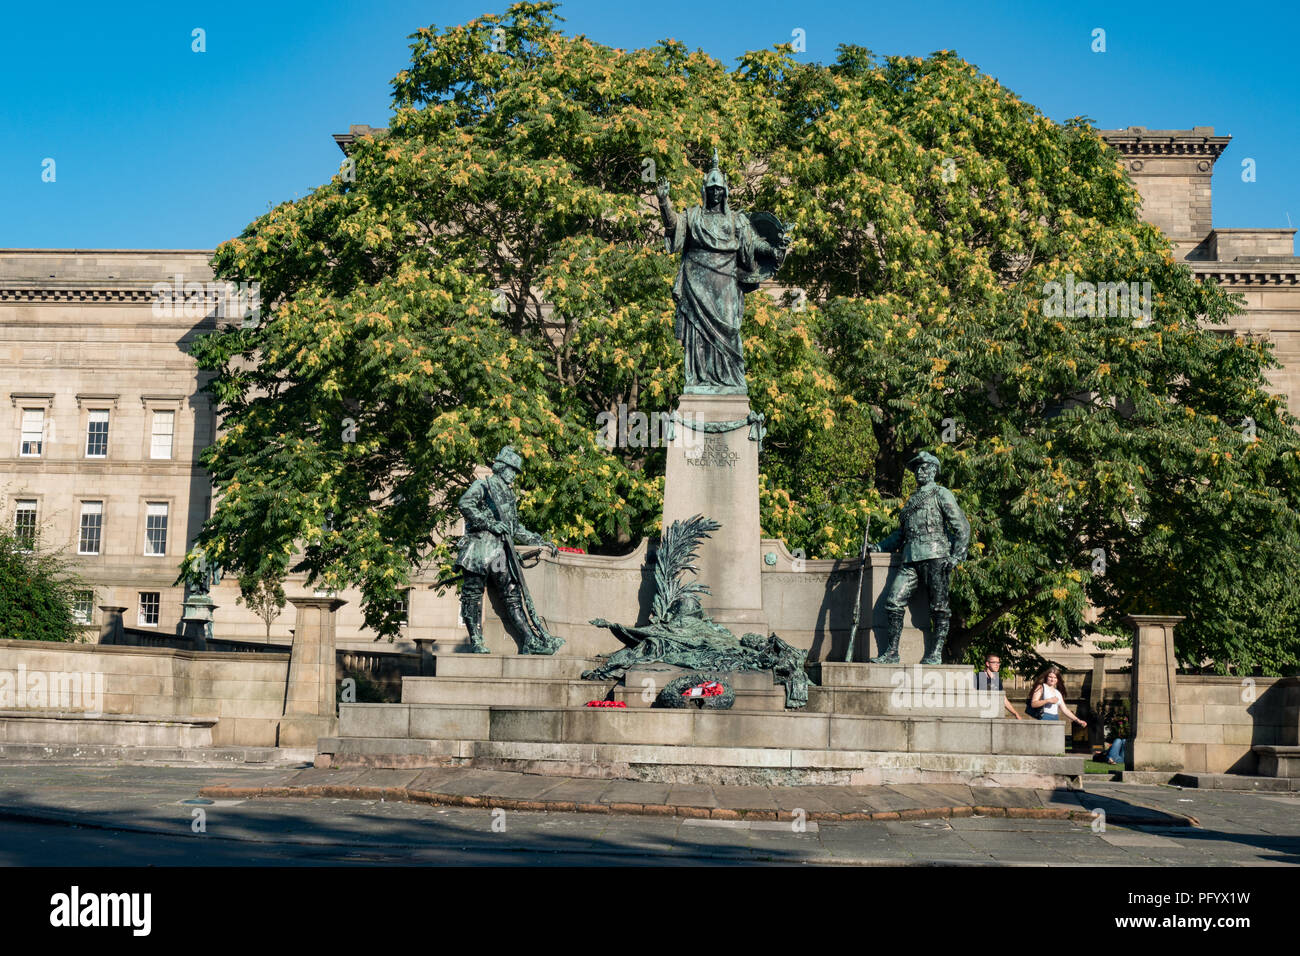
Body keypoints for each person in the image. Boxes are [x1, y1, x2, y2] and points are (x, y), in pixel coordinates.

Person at [656, 151, 787, 391]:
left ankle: (729, 382)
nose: (715, 193)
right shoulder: (693, 215)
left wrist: (773, 250)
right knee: (698, 337)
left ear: (725, 192)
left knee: (730, 333)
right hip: (696, 284)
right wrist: (664, 202)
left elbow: (753, 243)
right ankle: (699, 381)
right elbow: (673, 225)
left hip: (726, 284)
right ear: (705, 191)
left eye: (719, 189)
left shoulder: (737, 220)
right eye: (711, 189)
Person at [455, 445, 563, 655]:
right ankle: (477, 641)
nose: (514, 475)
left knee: (513, 597)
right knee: (471, 596)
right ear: (502, 467)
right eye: (512, 469)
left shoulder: (508, 495)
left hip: (499, 554)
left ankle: (529, 641)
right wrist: (489, 523)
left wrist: (539, 540)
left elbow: (515, 528)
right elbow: (465, 504)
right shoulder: (483, 486)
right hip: (477, 551)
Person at [868, 451, 970, 664]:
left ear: (934, 470)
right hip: (910, 558)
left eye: (924, 467)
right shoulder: (912, 500)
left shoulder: (941, 493)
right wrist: (878, 546)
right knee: (893, 602)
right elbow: (900, 535)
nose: (920, 472)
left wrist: (956, 556)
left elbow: (961, 526)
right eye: (917, 469)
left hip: (936, 556)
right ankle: (892, 652)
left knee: (939, 607)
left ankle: (935, 654)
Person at [1026, 666, 1087, 730]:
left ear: (1057, 679)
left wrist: (1078, 720)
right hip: (1045, 717)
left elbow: (1065, 710)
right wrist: (1048, 700)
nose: (1052, 679)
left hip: (1055, 718)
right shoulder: (1041, 687)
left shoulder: (1057, 692)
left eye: (1055, 677)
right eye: (1050, 677)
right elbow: (1033, 704)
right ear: (1046, 677)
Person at [973, 653, 1022, 719]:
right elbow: (972, 697)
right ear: (987, 664)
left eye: (998, 663)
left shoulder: (997, 679)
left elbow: (1004, 699)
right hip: (980, 716)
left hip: (993, 716)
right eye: (994, 662)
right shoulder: (978, 677)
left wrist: (1016, 713)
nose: (997, 665)